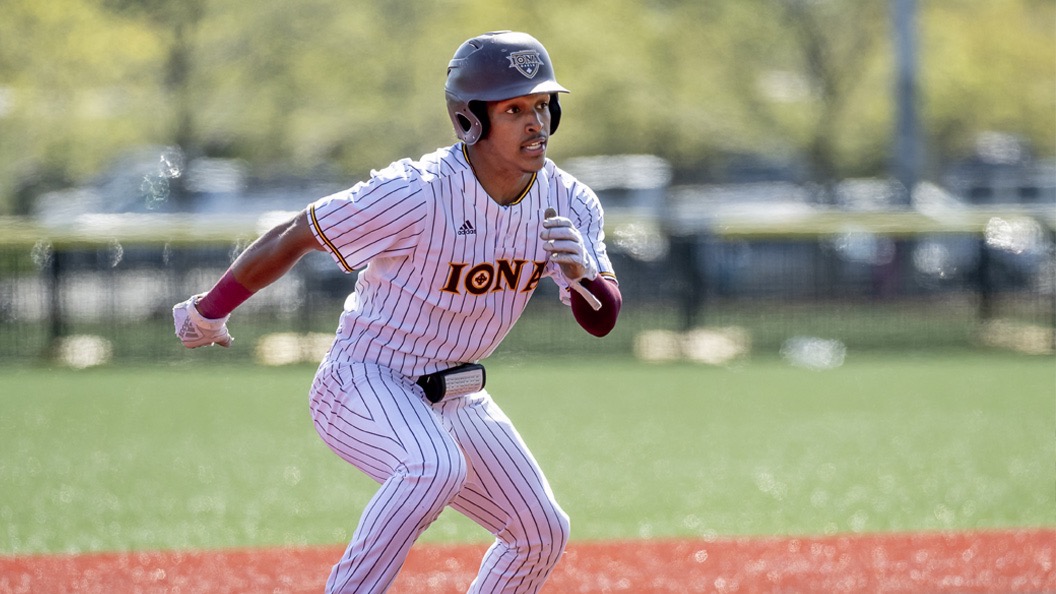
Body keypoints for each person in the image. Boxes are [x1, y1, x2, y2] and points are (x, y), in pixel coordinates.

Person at [172, 30, 621, 593]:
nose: (536, 123)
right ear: (470, 121)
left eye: (541, 105)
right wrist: (208, 312)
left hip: (457, 394)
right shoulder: (419, 191)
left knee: (541, 531)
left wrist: (582, 279)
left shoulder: (571, 201)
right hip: (364, 377)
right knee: (433, 467)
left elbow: (602, 320)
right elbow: (296, 234)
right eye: (513, 109)